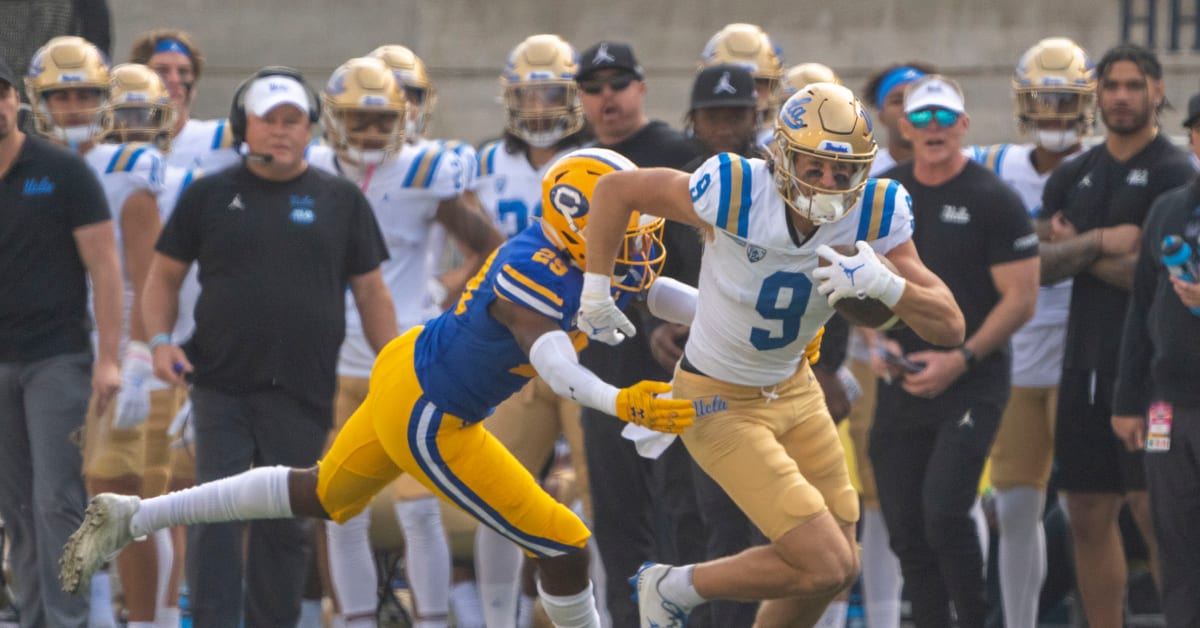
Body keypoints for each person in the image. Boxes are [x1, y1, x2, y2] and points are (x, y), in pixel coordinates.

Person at [60, 147, 697, 628]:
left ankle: (134, 515)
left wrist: (724, 312)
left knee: (321, 492)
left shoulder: (578, 251)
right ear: (578, 224)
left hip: (407, 368)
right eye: (625, 229)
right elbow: (554, 364)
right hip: (433, 415)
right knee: (564, 542)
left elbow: (650, 290)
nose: (637, 244)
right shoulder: (532, 271)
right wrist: (618, 400)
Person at [579, 81, 965, 627]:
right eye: (814, 166)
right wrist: (595, 291)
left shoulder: (875, 211)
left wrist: (889, 285)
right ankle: (674, 586)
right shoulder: (736, 188)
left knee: (838, 568)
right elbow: (617, 189)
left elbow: (950, 326)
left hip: (795, 388)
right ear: (782, 156)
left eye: (842, 172)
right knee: (823, 560)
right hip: (717, 400)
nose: (827, 183)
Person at [127, 67, 400, 626]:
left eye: (292, 120)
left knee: (285, 523)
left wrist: (395, 363)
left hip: (303, 388)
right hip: (220, 383)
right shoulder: (208, 194)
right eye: (268, 119)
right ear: (242, 126)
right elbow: (163, 277)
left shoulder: (340, 199)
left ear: (310, 128)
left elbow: (372, 292)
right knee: (214, 515)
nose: (281, 130)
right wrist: (158, 341)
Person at [310, 55, 504, 628]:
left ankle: (433, 620)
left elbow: (492, 249)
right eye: (359, 119)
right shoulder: (311, 167)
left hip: (408, 356)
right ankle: (354, 619)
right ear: (333, 117)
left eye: (383, 120)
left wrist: (449, 299)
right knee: (340, 506)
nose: (372, 133)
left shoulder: (426, 170)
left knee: (419, 507)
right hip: (330, 361)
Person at [873, 74, 1040, 628]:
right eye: (922, 117)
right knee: (905, 525)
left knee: (944, 511)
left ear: (964, 125)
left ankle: (974, 618)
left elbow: (1021, 299)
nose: (934, 127)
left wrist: (960, 359)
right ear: (904, 126)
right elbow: (857, 278)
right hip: (902, 378)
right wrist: (876, 341)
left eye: (944, 117)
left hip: (972, 380)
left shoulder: (993, 198)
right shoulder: (885, 193)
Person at [1037, 43, 1195, 628]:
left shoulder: (1175, 174)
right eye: (1111, 86)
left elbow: (1151, 280)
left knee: (1156, 511)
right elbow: (1037, 263)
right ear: (1096, 95)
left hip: (1151, 379)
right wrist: (1102, 242)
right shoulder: (1075, 172)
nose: (1121, 96)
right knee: (1084, 510)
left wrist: (1075, 249)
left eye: (1134, 85)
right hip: (1082, 366)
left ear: (1157, 91)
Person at [469, 33, 597, 627]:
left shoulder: (598, 158)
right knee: (497, 489)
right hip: (511, 347)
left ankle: (594, 615)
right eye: (529, 94)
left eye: (551, 93)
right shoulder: (481, 164)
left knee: (596, 491)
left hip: (584, 340)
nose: (541, 107)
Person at [572, 39, 701, 627]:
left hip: (675, 353)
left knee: (681, 511)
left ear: (642, 88)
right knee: (617, 511)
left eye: (618, 84)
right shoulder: (577, 164)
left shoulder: (678, 153)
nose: (607, 97)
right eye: (593, 87)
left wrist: (680, 323)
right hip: (605, 360)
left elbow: (703, 253)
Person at [967, 37, 1095, 628]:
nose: (1055, 114)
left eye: (1066, 100)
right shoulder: (992, 164)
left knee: (1090, 511)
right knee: (1018, 510)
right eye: (1044, 100)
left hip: (1084, 355)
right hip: (1016, 356)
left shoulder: (1105, 165)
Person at [0, 53, 123, 628]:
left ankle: (68, 620)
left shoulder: (63, 171)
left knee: (59, 501)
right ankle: (33, 619)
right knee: (17, 508)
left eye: (1, 94)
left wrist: (111, 359)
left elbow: (106, 269)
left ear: (15, 101)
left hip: (57, 359)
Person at [1111, 106, 1200, 628]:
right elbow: (1141, 308)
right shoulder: (1168, 209)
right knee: (1174, 538)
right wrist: (1127, 400)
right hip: (1168, 404)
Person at [128, 29, 238, 170]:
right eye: (162, 70)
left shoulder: (221, 139)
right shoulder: (115, 147)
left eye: (183, 72)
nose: (174, 80)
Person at [698, 23, 785, 148]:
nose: (743, 95)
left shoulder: (777, 147)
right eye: (733, 84)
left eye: (756, 85)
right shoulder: (686, 146)